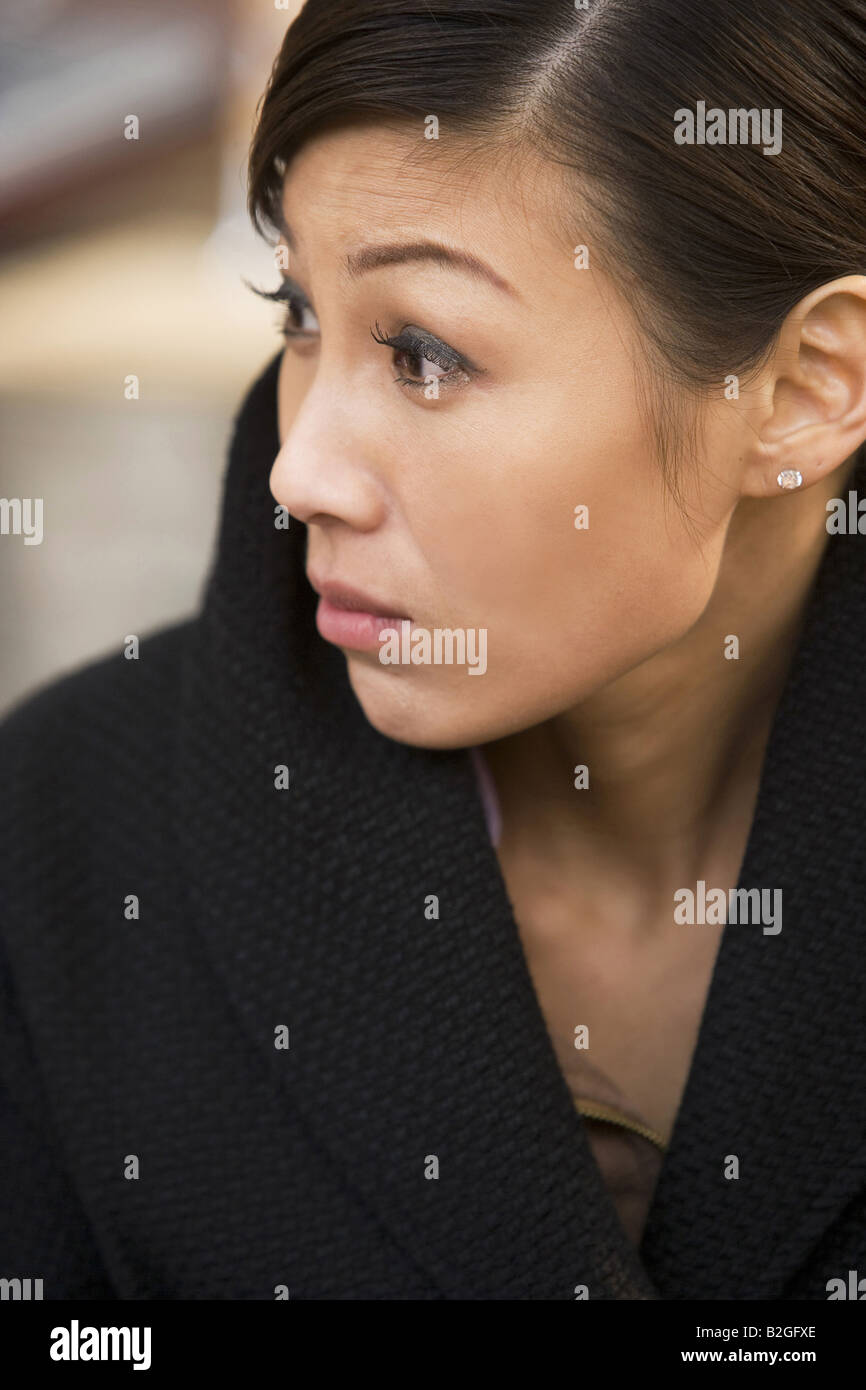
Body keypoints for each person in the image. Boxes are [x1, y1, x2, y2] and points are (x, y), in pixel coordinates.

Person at [2, 0, 866, 1300]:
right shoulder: (62, 834)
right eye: (293, 307)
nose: (297, 473)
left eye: (423, 353)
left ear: (801, 389)